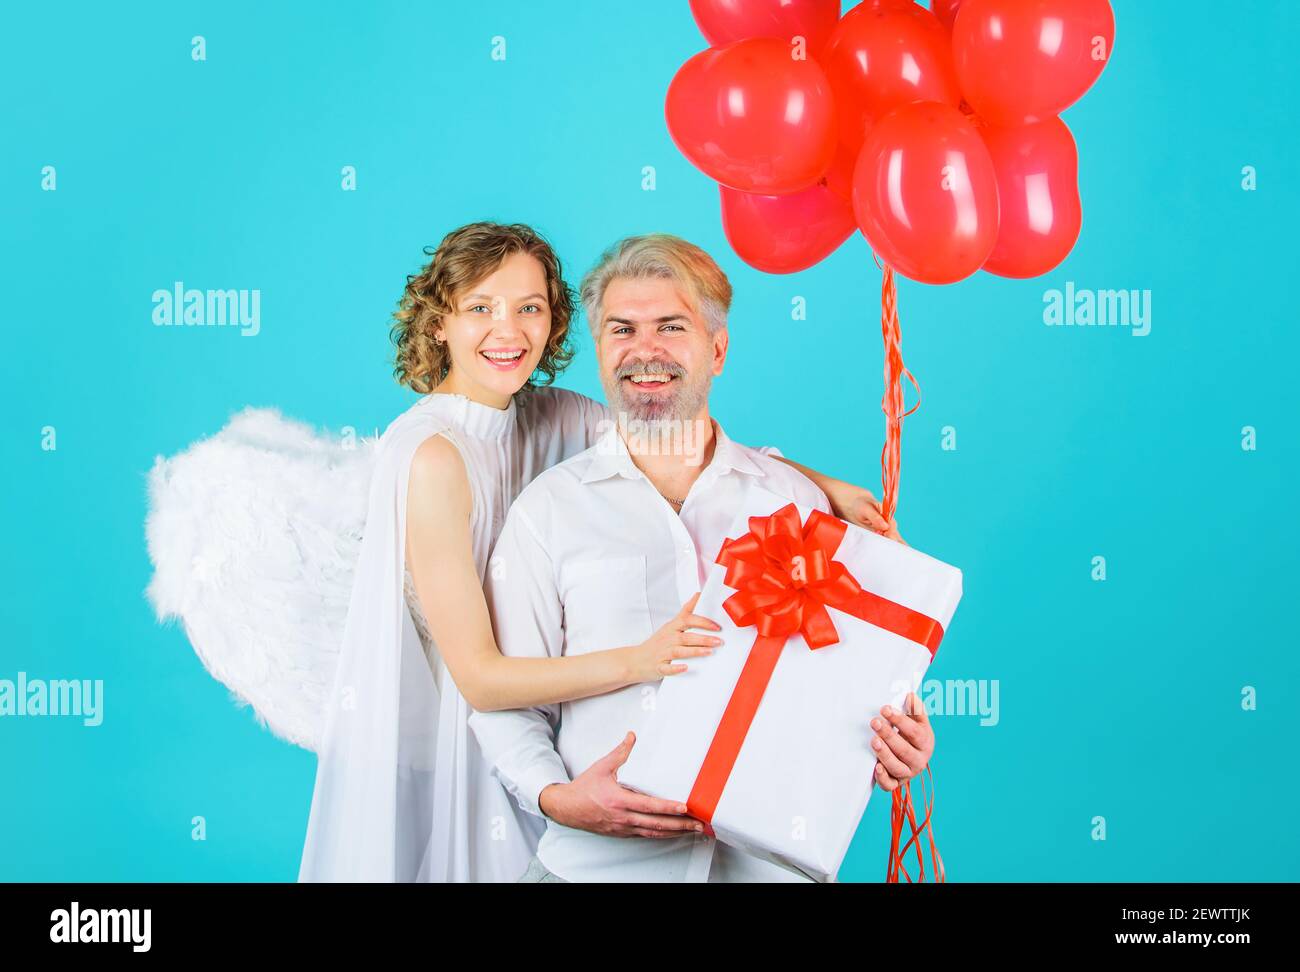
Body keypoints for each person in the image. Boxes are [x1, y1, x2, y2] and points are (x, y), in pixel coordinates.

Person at [298, 222, 900, 882]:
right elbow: (480, 677)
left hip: (588, 752)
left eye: (529, 307)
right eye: (479, 308)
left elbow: (674, 424)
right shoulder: (433, 456)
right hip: (467, 716)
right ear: (438, 323)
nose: (508, 330)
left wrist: (821, 486)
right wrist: (641, 663)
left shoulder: (548, 413)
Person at [469, 234, 935, 882]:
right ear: (601, 353)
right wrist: (556, 797)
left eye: (671, 326)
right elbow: (506, 700)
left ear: (717, 350)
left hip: (768, 868)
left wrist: (893, 738)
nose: (645, 350)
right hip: (596, 870)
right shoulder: (546, 514)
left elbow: (837, 672)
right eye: (621, 329)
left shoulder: (797, 503)